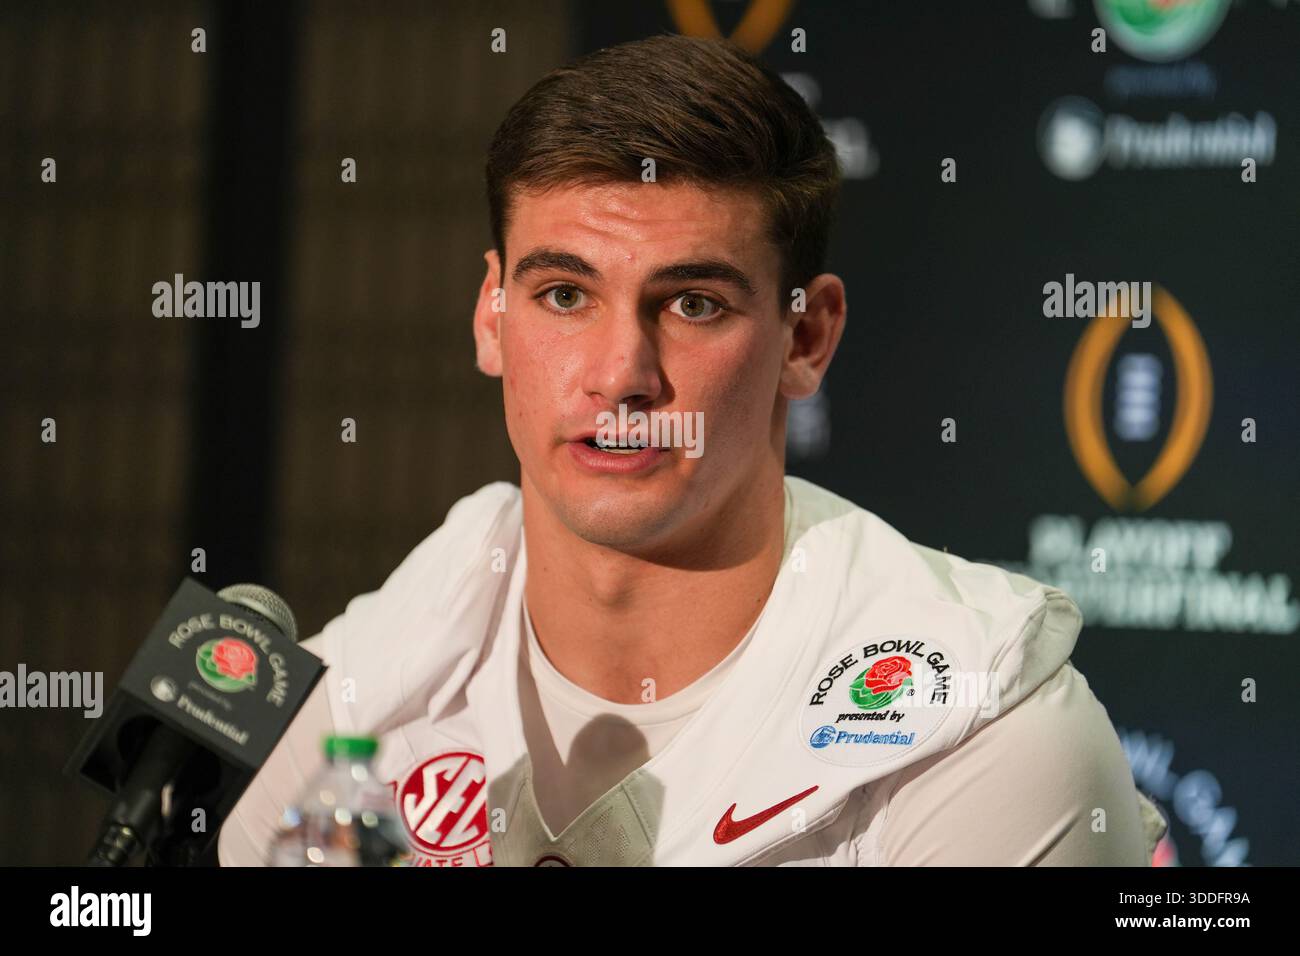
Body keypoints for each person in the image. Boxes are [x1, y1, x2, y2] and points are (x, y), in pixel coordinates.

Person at [218, 33, 1166, 867]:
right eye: (563, 294)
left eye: (693, 304)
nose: (621, 373)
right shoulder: (343, 711)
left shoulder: (985, 736)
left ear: (807, 339)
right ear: (491, 315)